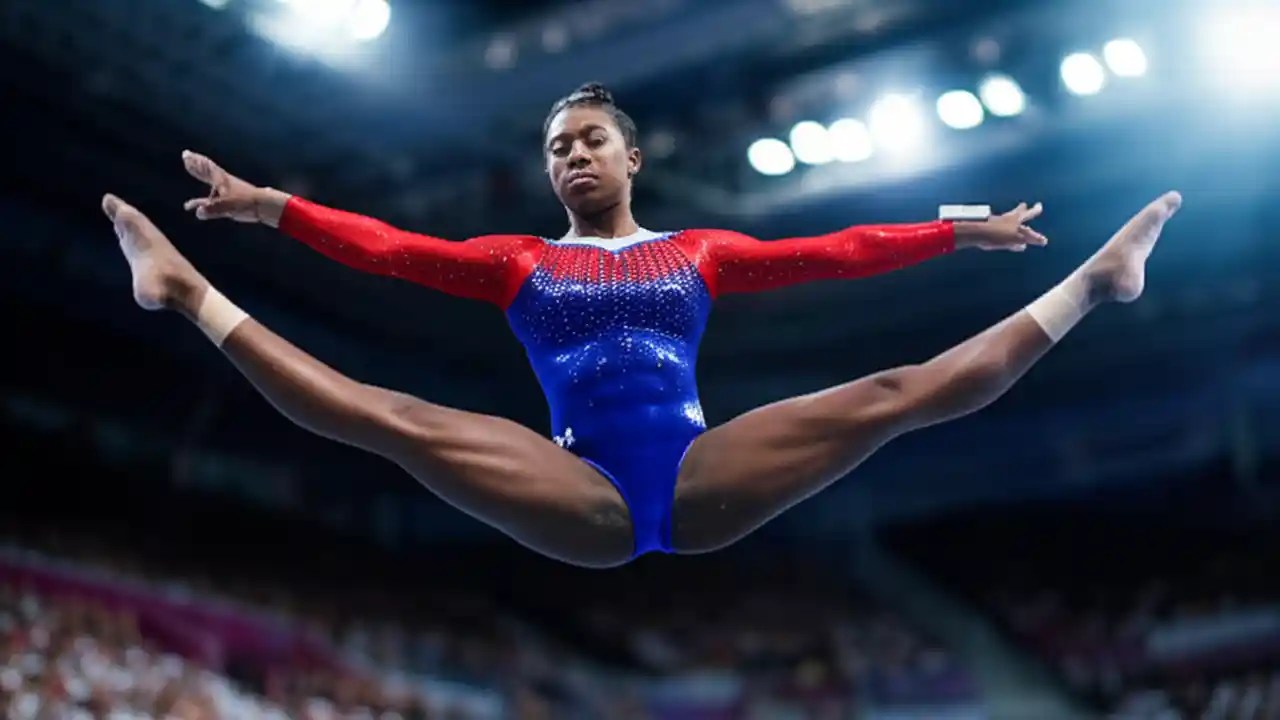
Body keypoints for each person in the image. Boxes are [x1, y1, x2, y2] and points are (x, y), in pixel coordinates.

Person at [103, 82, 1180, 569]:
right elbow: (385, 247)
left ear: (629, 157)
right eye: (554, 149)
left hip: (700, 475)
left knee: (888, 397)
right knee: (400, 419)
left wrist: (956, 233)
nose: (568, 157)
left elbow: (835, 249)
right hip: (580, 491)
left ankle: (1093, 282)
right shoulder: (512, 263)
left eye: (586, 141)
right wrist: (270, 207)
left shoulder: (702, 252)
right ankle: (189, 292)